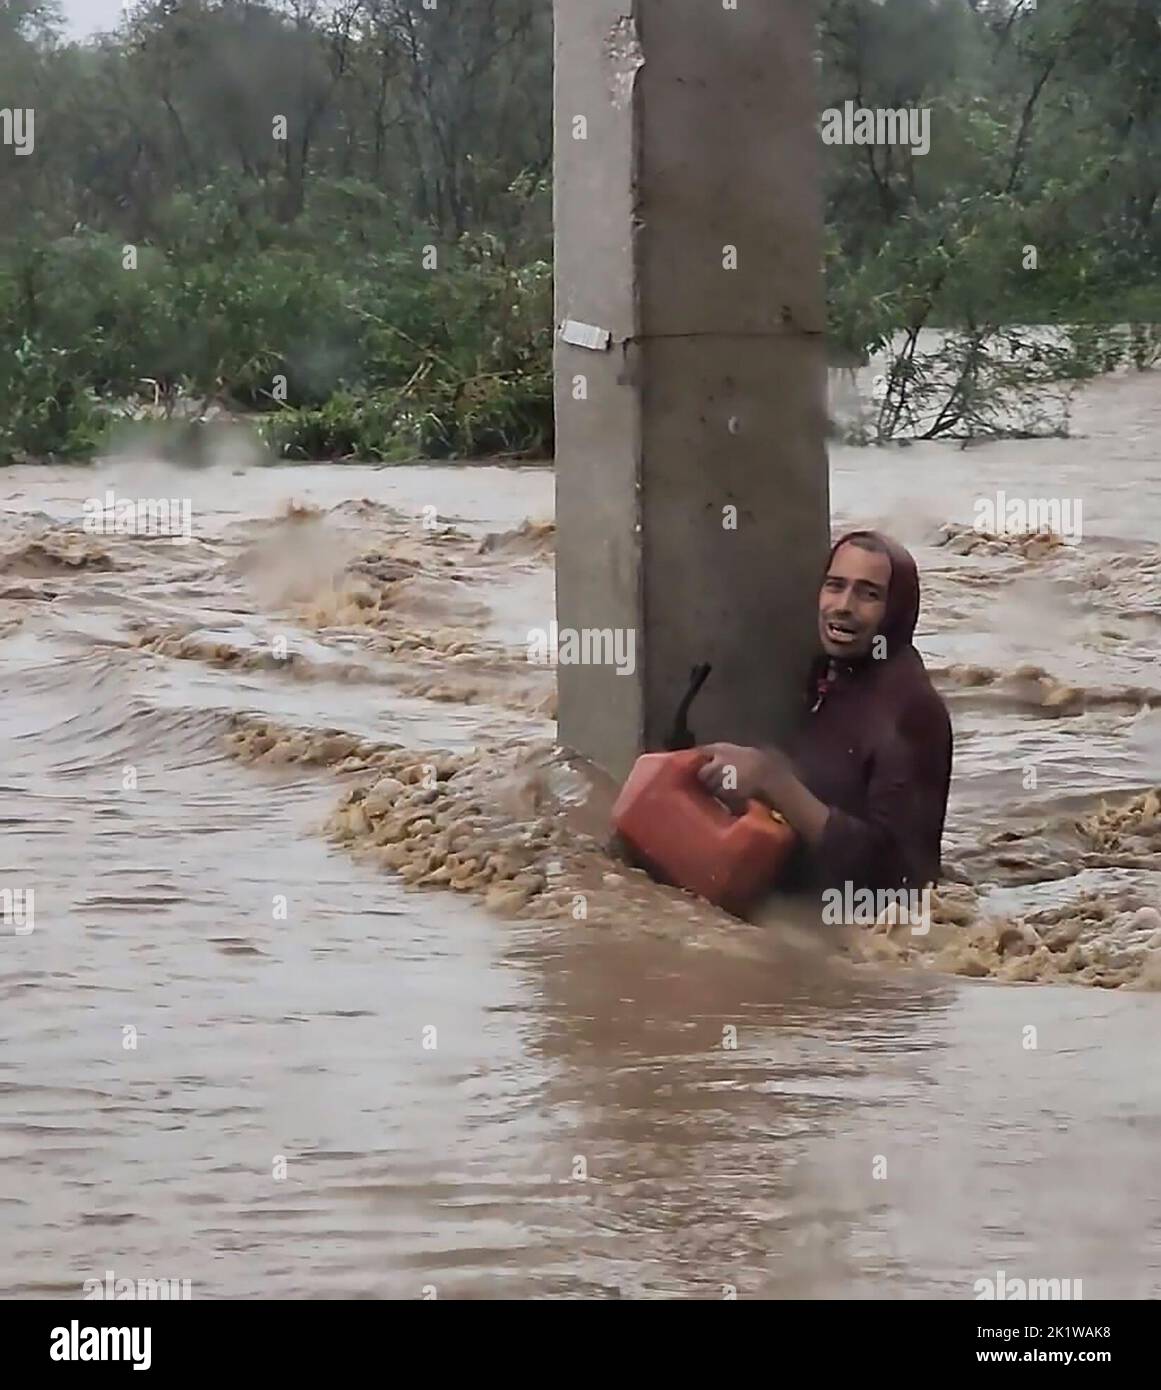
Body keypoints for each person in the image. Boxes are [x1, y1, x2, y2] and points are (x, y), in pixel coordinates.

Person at [696, 530, 952, 895]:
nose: (844, 605)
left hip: (865, 933)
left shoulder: (912, 711)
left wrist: (774, 780)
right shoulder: (830, 674)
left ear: (896, 610)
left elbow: (901, 878)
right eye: (835, 585)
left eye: (869, 594)